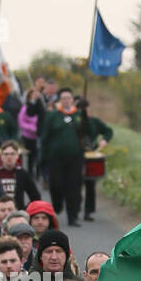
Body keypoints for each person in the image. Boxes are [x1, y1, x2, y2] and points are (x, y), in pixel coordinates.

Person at [39, 89, 86, 226]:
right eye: (63, 98)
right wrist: (43, 157)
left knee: (73, 188)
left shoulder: (79, 115)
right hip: (56, 159)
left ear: (72, 100)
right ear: (60, 100)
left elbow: (87, 132)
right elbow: (45, 137)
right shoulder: (53, 116)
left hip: (74, 159)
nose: (66, 100)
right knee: (56, 185)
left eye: (69, 98)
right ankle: (57, 204)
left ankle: (73, 216)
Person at [76, 100, 112, 221]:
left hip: (91, 155)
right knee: (75, 184)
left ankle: (88, 211)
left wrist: (104, 140)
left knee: (90, 185)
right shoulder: (74, 122)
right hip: (76, 157)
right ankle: (75, 208)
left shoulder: (94, 122)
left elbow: (108, 131)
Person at [0, 139, 42, 208]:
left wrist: (25, 210)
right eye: (6, 154)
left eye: (12, 154)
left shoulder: (23, 174)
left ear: (17, 156)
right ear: (1, 156)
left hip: (18, 214)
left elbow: (36, 197)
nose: (9, 157)